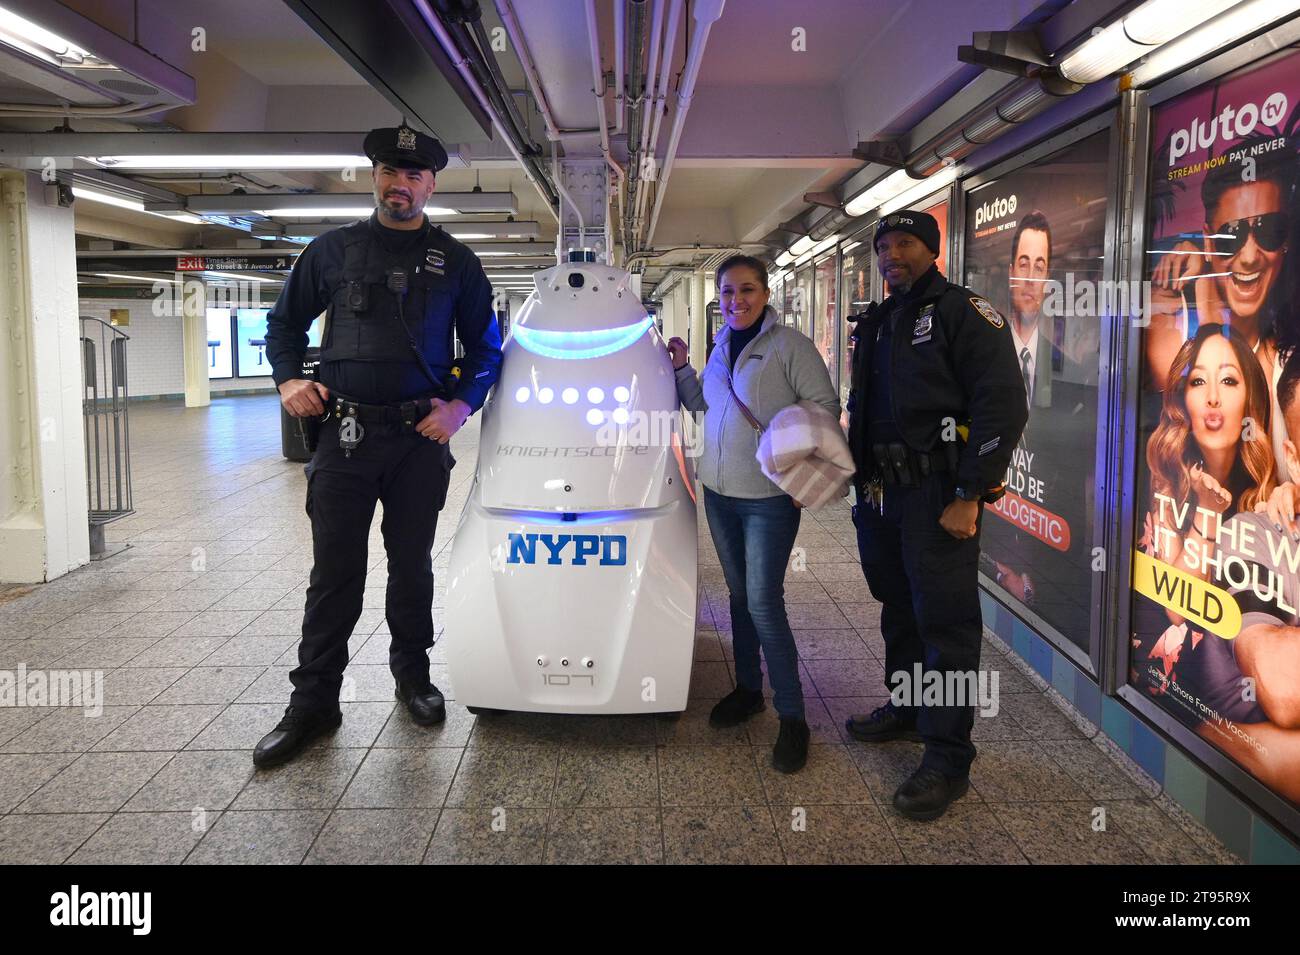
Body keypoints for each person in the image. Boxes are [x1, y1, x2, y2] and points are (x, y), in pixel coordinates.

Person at [256, 125, 503, 768]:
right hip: (344, 437)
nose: (401, 184)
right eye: (391, 172)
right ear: (374, 177)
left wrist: (459, 406)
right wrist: (287, 379)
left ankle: (412, 678)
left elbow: (486, 349)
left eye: (414, 175)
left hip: (418, 441)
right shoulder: (331, 251)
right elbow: (283, 324)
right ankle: (314, 702)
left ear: (431, 185)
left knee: (411, 565)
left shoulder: (457, 261)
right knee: (334, 573)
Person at [844, 209, 1027, 821]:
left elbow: (1003, 405)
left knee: (945, 627)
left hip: (937, 495)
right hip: (881, 494)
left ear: (932, 250)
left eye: (906, 243)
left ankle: (948, 760)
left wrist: (971, 493)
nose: (892, 255)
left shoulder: (962, 312)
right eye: (884, 246)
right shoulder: (879, 319)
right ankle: (907, 708)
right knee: (897, 607)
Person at [667, 254, 839, 774]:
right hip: (719, 494)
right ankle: (748, 690)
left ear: (765, 294)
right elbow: (704, 407)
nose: (736, 300)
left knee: (763, 601)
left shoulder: (790, 347)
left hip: (768, 499)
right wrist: (683, 369)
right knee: (740, 597)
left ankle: (793, 717)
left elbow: (824, 407)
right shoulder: (720, 347)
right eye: (727, 292)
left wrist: (804, 469)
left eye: (746, 290)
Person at [1146, 134, 1294, 476]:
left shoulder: (1285, 357)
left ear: (1286, 240)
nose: (1250, 256)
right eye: (1232, 234)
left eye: (1269, 230)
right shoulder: (1171, 330)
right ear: (1209, 241)